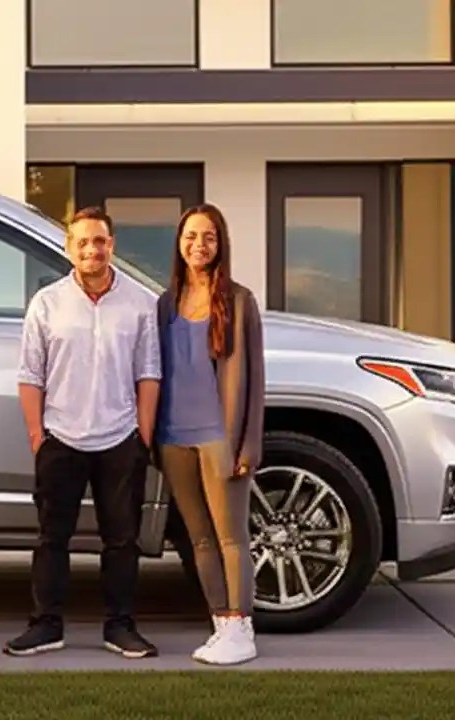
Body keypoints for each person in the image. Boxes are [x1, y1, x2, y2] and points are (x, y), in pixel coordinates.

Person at [4, 206, 162, 660]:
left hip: (121, 438)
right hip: (61, 438)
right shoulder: (47, 303)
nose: (92, 249)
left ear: (112, 245)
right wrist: (38, 437)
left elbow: (149, 372)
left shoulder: (140, 303)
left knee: (122, 541)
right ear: (68, 247)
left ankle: (120, 626)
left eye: (100, 241)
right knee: (52, 540)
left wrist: (143, 436)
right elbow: (30, 374)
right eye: (83, 242)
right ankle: (46, 624)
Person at [153, 203, 264, 665]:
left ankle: (242, 628)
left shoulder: (239, 300)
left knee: (231, 537)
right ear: (179, 244)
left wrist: (248, 443)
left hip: (221, 438)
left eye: (208, 237)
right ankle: (222, 625)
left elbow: (254, 380)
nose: (199, 244)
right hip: (174, 437)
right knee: (199, 539)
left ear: (221, 245)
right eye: (191, 236)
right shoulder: (166, 302)